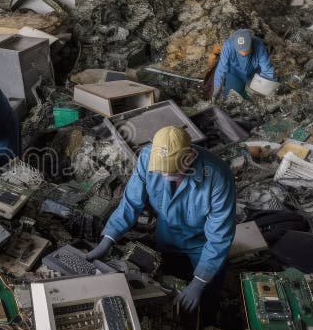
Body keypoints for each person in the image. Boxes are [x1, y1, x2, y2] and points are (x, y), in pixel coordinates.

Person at [87, 126, 236, 313]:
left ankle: (208, 319)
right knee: (168, 281)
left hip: (202, 243)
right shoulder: (147, 157)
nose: (165, 177)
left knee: (205, 295)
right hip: (166, 236)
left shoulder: (217, 176)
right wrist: (108, 239)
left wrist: (199, 282)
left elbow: (220, 236)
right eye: (161, 171)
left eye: (172, 171)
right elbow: (131, 203)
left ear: (189, 157)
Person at [213, 29, 274, 100]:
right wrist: (216, 89)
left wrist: (263, 87)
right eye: (240, 50)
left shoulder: (259, 46)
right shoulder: (228, 46)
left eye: (246, 50)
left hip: (254, 74)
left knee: (255, 99)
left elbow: (267, 70)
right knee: (229, 97)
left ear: (251, 43)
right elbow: (221, 69)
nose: (243, 53)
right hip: (235, 73)